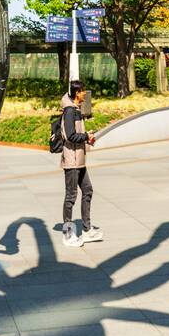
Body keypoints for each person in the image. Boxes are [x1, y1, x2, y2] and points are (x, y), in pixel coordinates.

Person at [60, 80, 102, 247]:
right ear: (77, 93)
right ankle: (68, 235)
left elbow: (77, 134)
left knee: (88, 190)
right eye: (83, 91)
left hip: (80, 160)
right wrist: (85, 136)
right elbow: (70, 136)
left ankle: (87, 229)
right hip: (72, 161)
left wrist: (87, 138)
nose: (85, 93)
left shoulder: (76, 110)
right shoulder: (70, 111)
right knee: (71, 197)